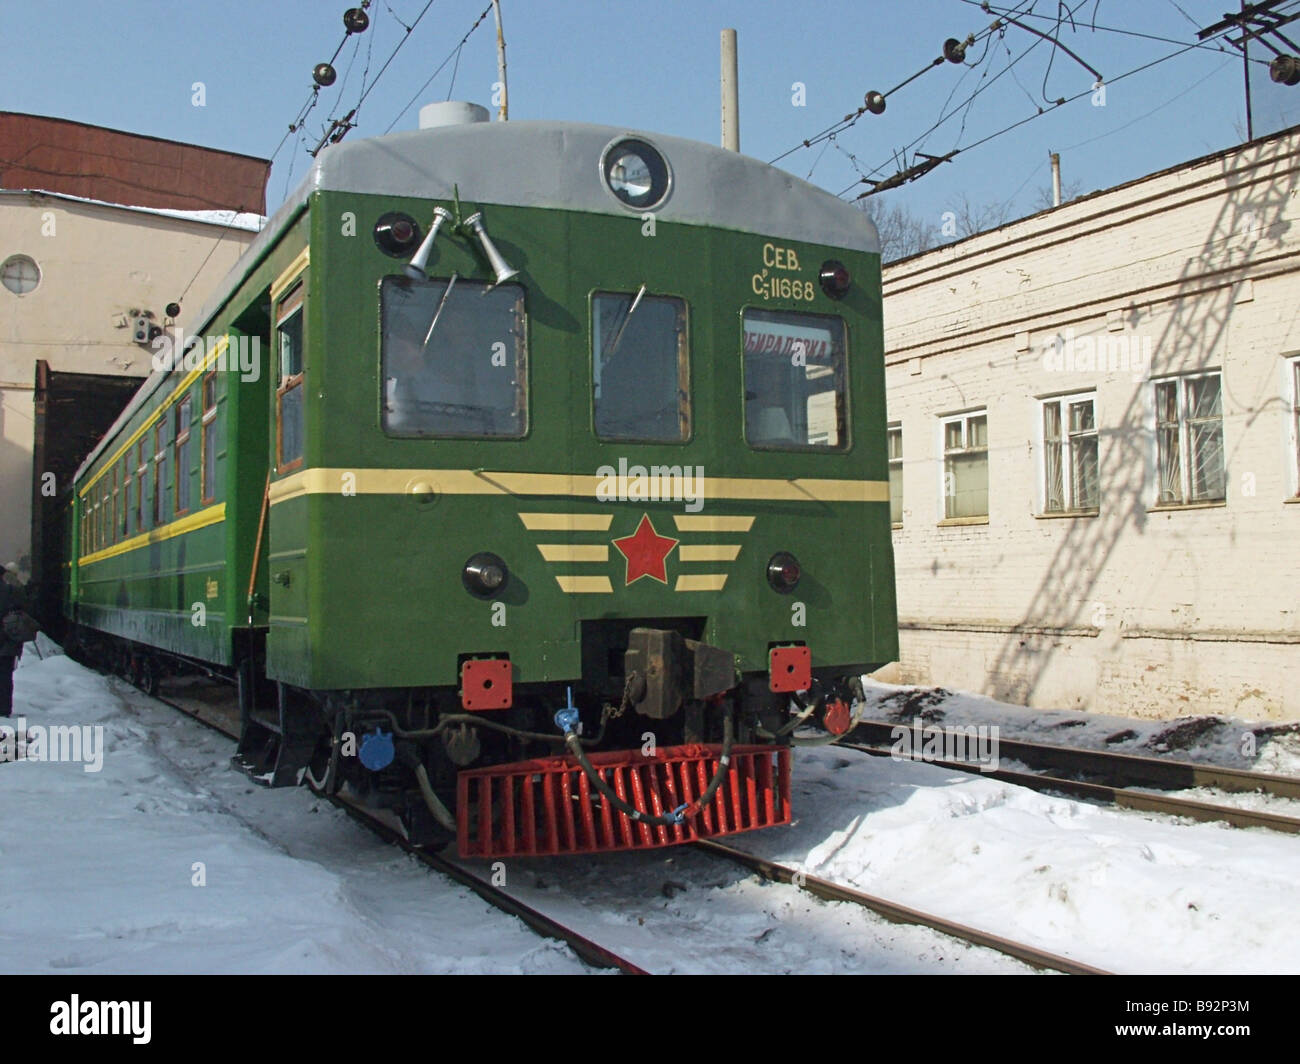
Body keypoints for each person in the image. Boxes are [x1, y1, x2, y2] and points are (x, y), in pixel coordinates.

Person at [0, 563, 31, 717]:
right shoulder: (12, 591)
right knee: (5, 677)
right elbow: (24, 610)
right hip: (8, 639)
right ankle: (4, 709)